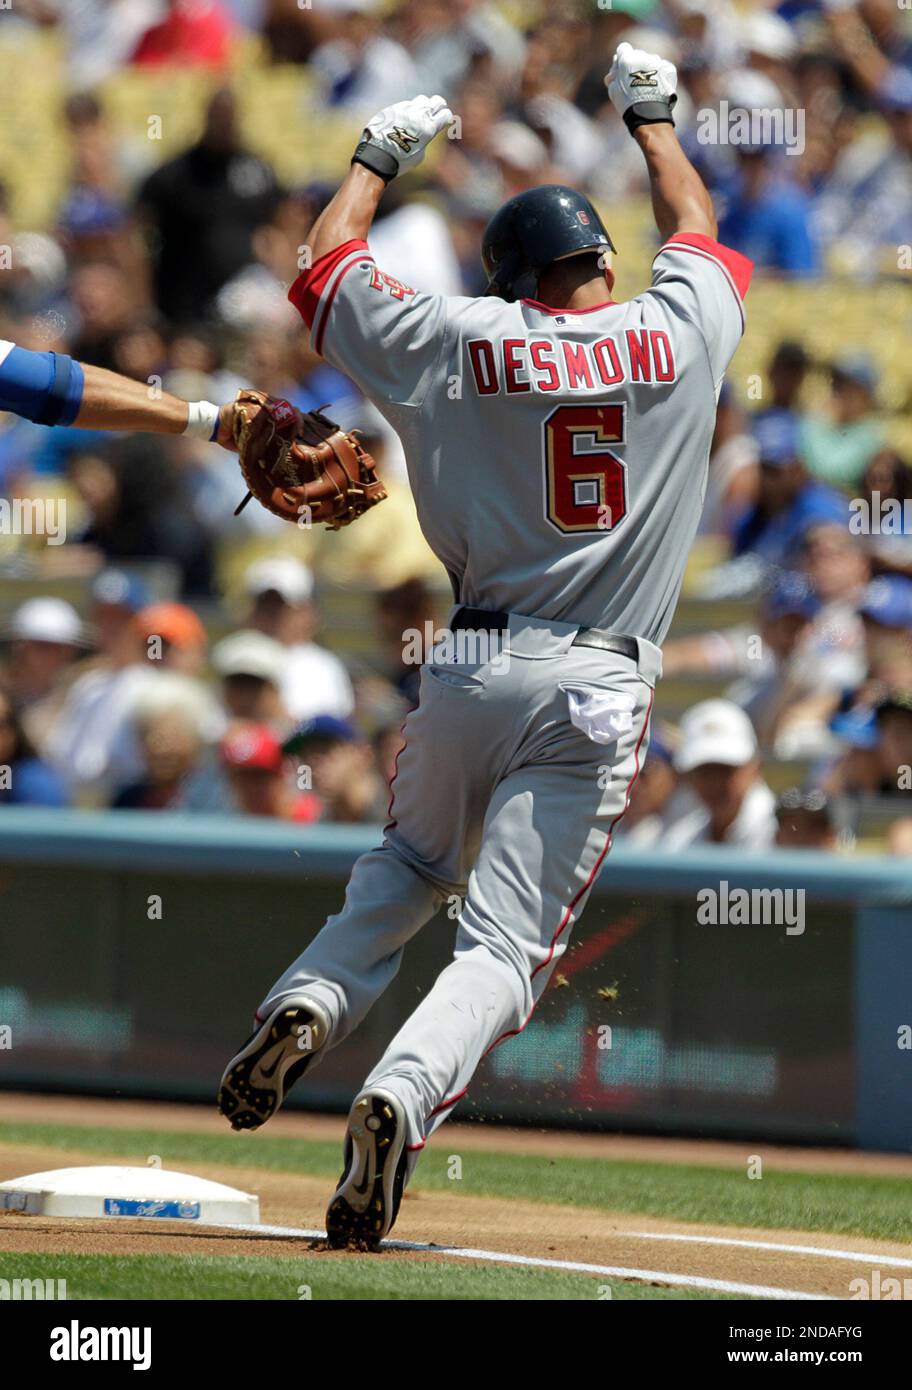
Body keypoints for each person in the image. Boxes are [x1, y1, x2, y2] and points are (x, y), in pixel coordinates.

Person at [218, 50, 753, 1250]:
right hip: (602, 680)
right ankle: (399, 1096)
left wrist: (377, 157)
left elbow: (322, 272)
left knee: (409, 866)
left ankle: (309, 999)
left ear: (508, 276)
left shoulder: (459, 335)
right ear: (603, 264)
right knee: (505, 945)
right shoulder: (679, 327)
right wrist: (652, 117)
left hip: (469, 662)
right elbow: (698, 222)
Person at [662, 700, 778, 850]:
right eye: (704, 772)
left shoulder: (781, 835)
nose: (714, 783)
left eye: (726, 771)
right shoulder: (681, 838)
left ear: (755, 768)